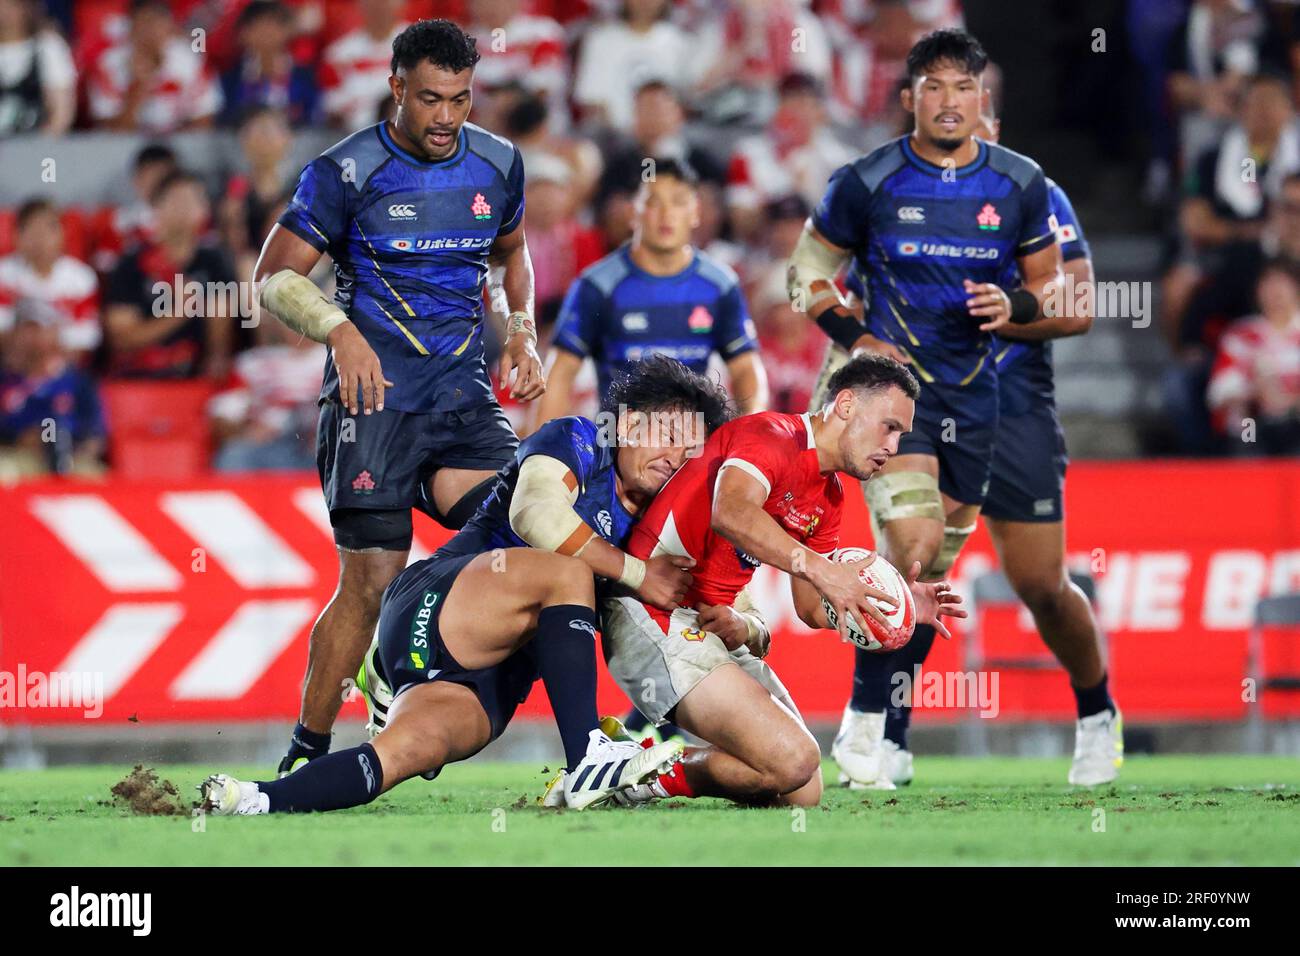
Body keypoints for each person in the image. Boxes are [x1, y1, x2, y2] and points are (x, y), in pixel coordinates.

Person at [199, 356, 728, 814]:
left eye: (691, 451)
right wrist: (636, 574)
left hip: (492, 673)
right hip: (436, 599)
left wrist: (747, 624)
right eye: (669, 435)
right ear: (629, 422)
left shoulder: (666, 519)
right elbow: (536, 515)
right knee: (567, 567)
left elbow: (718, 591)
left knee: (405, 753)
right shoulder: (578, 440)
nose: (677, 456)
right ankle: (586, 757)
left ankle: (255, 798)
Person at [253, 19, 545, 776]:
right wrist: (338, 332)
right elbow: (276, 277)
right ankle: (305, 752)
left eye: (460, 99)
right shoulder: (345, 171)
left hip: (462, 403)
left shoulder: (499, 163)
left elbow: (513, 256)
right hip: (371, 405)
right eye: (429, 99)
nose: (446, 117)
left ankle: (581, 734)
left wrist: (522, 332)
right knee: (370, 578)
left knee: (534, 540)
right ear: (395, 89)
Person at [786, 29, 1064, 789]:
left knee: (929, 580)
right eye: (933, 88)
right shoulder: (867, 179)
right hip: (890, 395)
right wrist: (857, 332)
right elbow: (804, 271)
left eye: (963, 88)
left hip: (978, 398)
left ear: (984, 99)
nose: (949, 102)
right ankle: (867, 734)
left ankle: (878, 722)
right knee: (909, 545)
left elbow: (1058, 287)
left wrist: (1016, 302)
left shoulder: (1020, 182)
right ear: (909, 97)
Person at [586, 353, 964, 808]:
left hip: (704, 627)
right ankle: (628, 772)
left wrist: (893, 601)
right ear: (845, 405)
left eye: (901, 433)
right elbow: (731, 511)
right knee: (791, 760)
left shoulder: (829, 496)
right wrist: (822, 568)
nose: (895, 445)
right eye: (890, 426)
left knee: (800, 788)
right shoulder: (770, 435)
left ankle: (636, 769)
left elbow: (808, 607)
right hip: (650, 610)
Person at [535, 158, 769, 429]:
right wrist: (543, 453)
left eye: (678, 202)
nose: (666, 214)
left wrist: (746, 436)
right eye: (653, 202)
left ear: (695, 212)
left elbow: (746, 369)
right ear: (633, 212)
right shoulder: (597, 285)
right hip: (618, 448)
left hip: (692, 449)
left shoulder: (720, 285)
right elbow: (560, 372)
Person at [101, 170, 236, 381]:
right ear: (156, 208)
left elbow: (221, 331)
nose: (184, 209)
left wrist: (217, 358)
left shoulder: (215, 260)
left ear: (204, 210)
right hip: (140, 376)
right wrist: (178, 313)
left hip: (197, 375)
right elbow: (121, 338)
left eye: (192, 200)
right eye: (176, 200)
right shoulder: (131, 263)